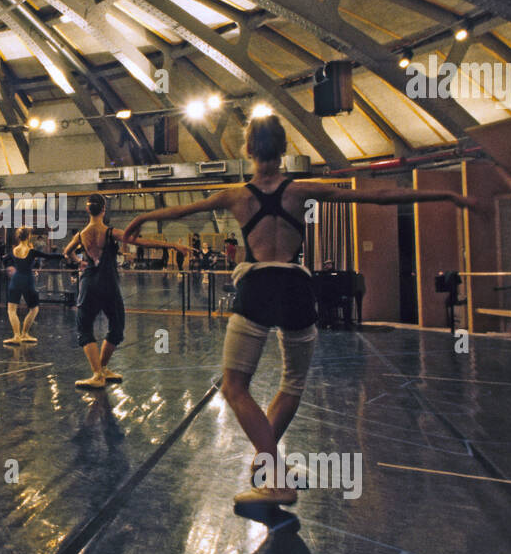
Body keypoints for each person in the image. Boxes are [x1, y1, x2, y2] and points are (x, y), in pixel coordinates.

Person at [123, 112, 481, 507]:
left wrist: (142, 216)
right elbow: (378, 196)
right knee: (291, 384)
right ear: (284, 148)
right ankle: (270, 464)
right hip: (297, 288)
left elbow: (180, 211)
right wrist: (445, 196)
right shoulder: (302, 190)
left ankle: (275, 477)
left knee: (234, 387)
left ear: (247, 149)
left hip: (259, 287)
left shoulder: (236, 195)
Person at [63, 193, 186, 389]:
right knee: (117, 326)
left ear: (87, 210)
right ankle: (99, 372)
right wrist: (172, 245)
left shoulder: (80, 235)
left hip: (88, 284)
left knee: (85, 327)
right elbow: (141, 242)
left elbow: (66, 252)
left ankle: (100, 371)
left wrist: (80, 262)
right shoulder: (111, 232)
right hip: (108, 284)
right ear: (104, 209)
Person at [3, 228, 58, 345]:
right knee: (34, 308)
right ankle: (24, 333)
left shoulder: (14, 250)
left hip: (16, 280)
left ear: (18, 237)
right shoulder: (31, 251)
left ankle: (17, 335)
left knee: (11, 310)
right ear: (28, 237)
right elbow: (49, 256)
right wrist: (64, 255)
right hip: (28, 280)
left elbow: (5, 259)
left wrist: (9, 266)